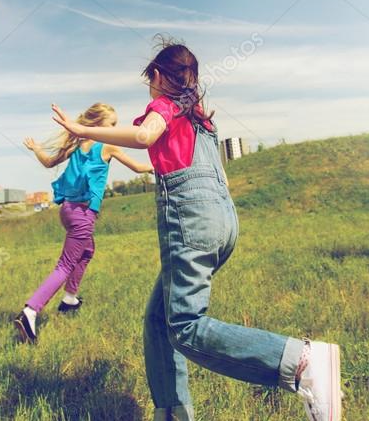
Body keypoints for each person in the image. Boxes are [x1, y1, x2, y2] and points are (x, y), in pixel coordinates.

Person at [51, 37, 341, 421]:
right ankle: (172, 412)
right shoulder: (201, 117)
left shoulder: (163, 106)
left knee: (186, 326)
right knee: (159, 319)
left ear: (157, 76)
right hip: (222, 223)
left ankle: (302, 361)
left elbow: (142, 136)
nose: (150, 89)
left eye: (150, 81)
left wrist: (80, 128)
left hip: (191, 224)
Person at [15, 103, 153, 343]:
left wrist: (37, 148)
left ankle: (70, 300)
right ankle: (31, 311)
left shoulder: (77, 143)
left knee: (87, 250)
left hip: (67, 210)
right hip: (83, 214)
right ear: (99, 125)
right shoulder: (107, 145)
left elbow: (48, 162)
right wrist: (159, 166)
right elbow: (138, 166)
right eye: (111, 125)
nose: (114, 129)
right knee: (65, 265)